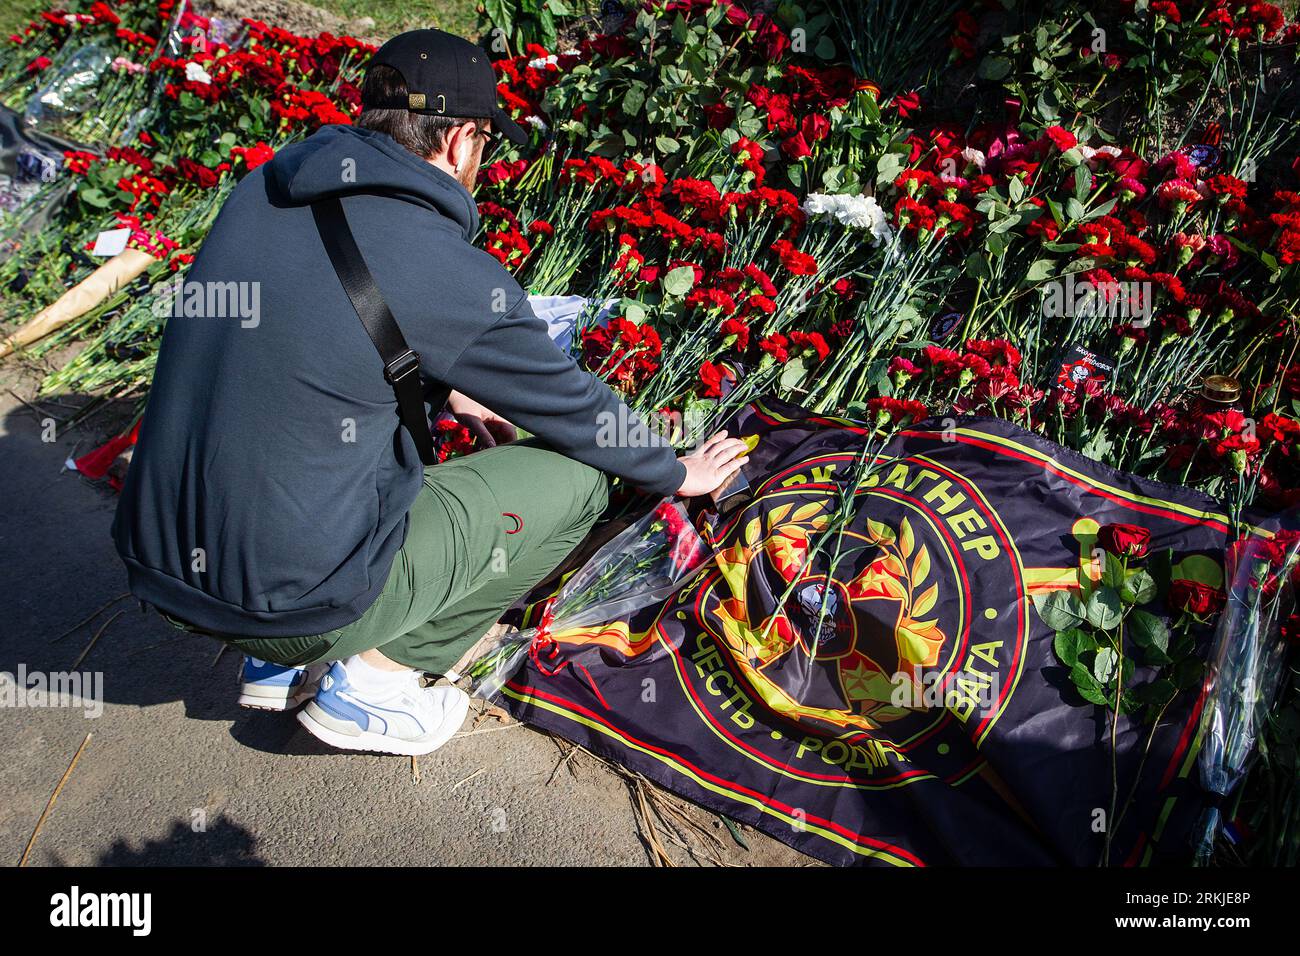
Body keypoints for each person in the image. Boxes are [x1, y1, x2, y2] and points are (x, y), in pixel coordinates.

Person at [112, 29, 748, 756]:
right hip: (296, 598)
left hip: (159, 560)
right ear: (460, 142)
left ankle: (271, 656)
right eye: (486, 144)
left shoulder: (264, 188)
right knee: (582, 477)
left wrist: (446, 386)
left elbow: (303, 333)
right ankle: (375, 684)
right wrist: (676, 471)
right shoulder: (446, 267)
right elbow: (580, 414)